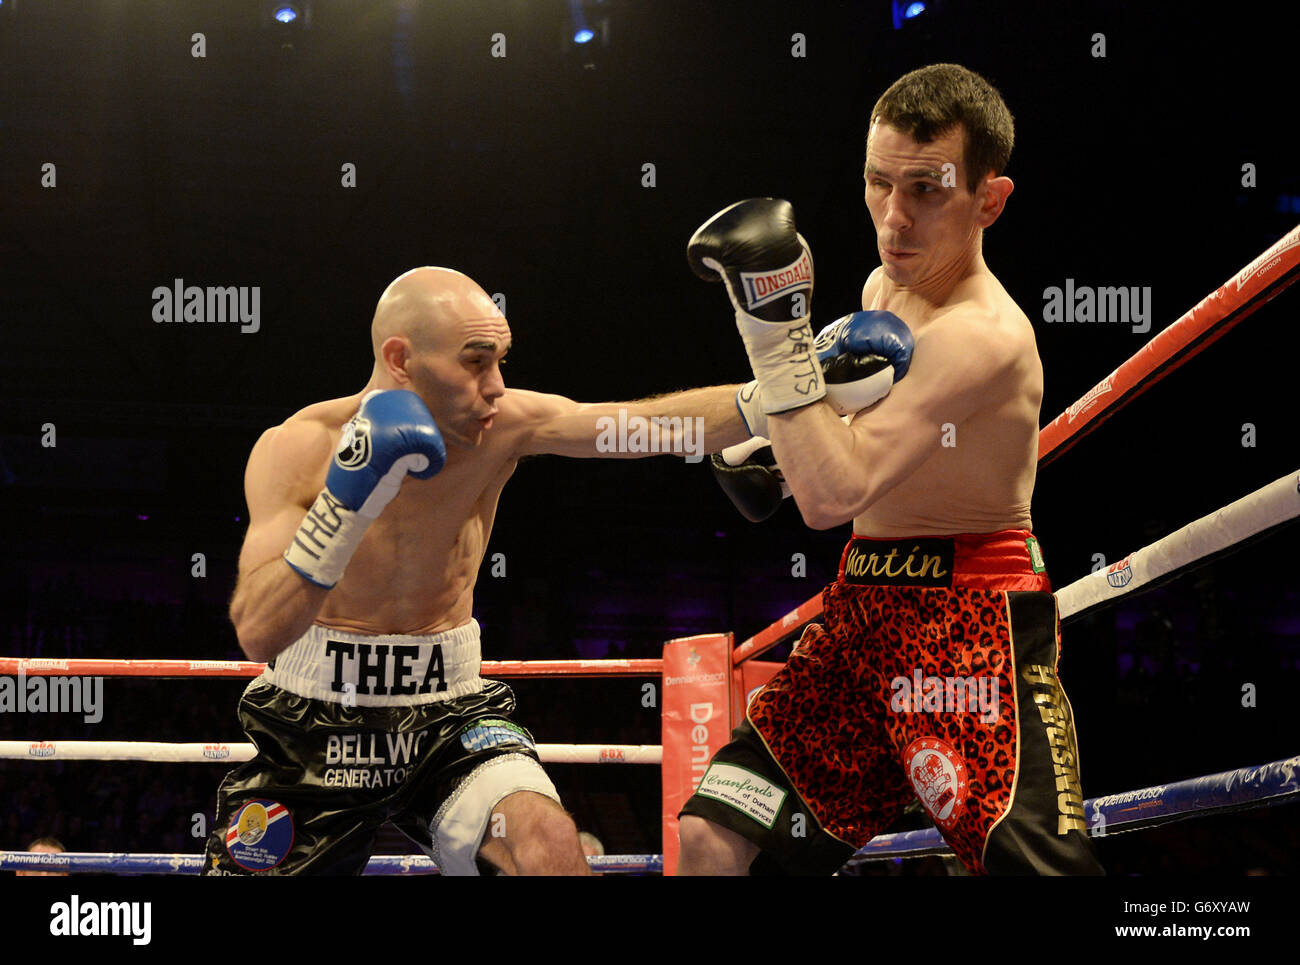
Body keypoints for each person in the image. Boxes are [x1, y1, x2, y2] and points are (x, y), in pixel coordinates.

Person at [678, 63, 1104, 875]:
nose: (894, 218)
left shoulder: (987, 334)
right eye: (879, 184)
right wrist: (778, 450)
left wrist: (773, 330)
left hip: (968, 625)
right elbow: (838, 436)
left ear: (990, 199)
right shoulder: (884, 285)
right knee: (712, 837)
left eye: (927, 190)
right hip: (861, 609)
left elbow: (834, 491)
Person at [202, 266, 761, 876]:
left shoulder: (504, 427)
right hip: (311, 723)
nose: (497, 386)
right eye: (475, 362)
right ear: (400, 360)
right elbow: (257, 631)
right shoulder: (297, 448)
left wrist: (775, 397)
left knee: (545, 837)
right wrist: (343, 508)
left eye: (501, 360)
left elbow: (647, 427)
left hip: (448, 713)